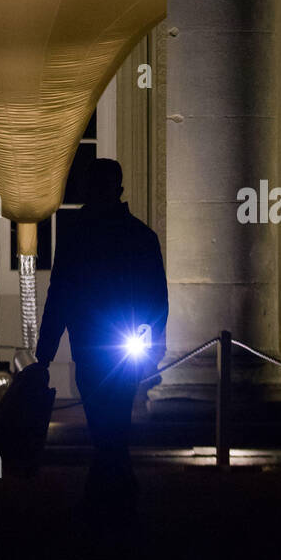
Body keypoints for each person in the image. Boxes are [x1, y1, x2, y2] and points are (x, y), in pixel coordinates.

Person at [34, 157, 168, 504]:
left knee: (106, 421)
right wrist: (154, 349)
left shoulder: (78, 236)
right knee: (113, 421)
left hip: (95, 344)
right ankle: (116, 487)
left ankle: (108, 487)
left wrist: (45, 351)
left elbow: (60, 295)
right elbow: (156, 300)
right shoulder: (139, 236)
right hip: (116, 345)